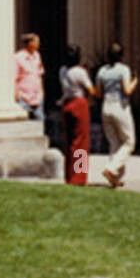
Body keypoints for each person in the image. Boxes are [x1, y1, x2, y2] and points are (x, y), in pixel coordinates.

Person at [95, 42, 138, 188]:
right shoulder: (123, 70)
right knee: (129, 142)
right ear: (121, 56)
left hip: (106, 107)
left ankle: (115, 178)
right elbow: (127, 90)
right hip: (120, 107)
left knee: (114, 143)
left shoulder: (101, 71)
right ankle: (111, 169)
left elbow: (99, 93)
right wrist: (134, 82)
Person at [58, 44, 96, 186]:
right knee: (81, 142)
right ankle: (79, 178)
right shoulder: (79, 72)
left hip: (67, 103)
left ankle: (69, 176)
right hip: (79, 104)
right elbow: (91, 90)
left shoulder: (62, 70)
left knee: (69, 142)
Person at [13, 32, 45, 122]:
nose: (38, 44)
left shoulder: (37, 56)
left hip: (37, 97)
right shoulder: (18, 57)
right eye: (36, 41)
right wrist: (17, 95)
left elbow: (39, 75)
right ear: (30, 43)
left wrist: (42, 93)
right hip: (24, 97)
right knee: (24, 123)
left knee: (40, 121)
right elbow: (15, 78)